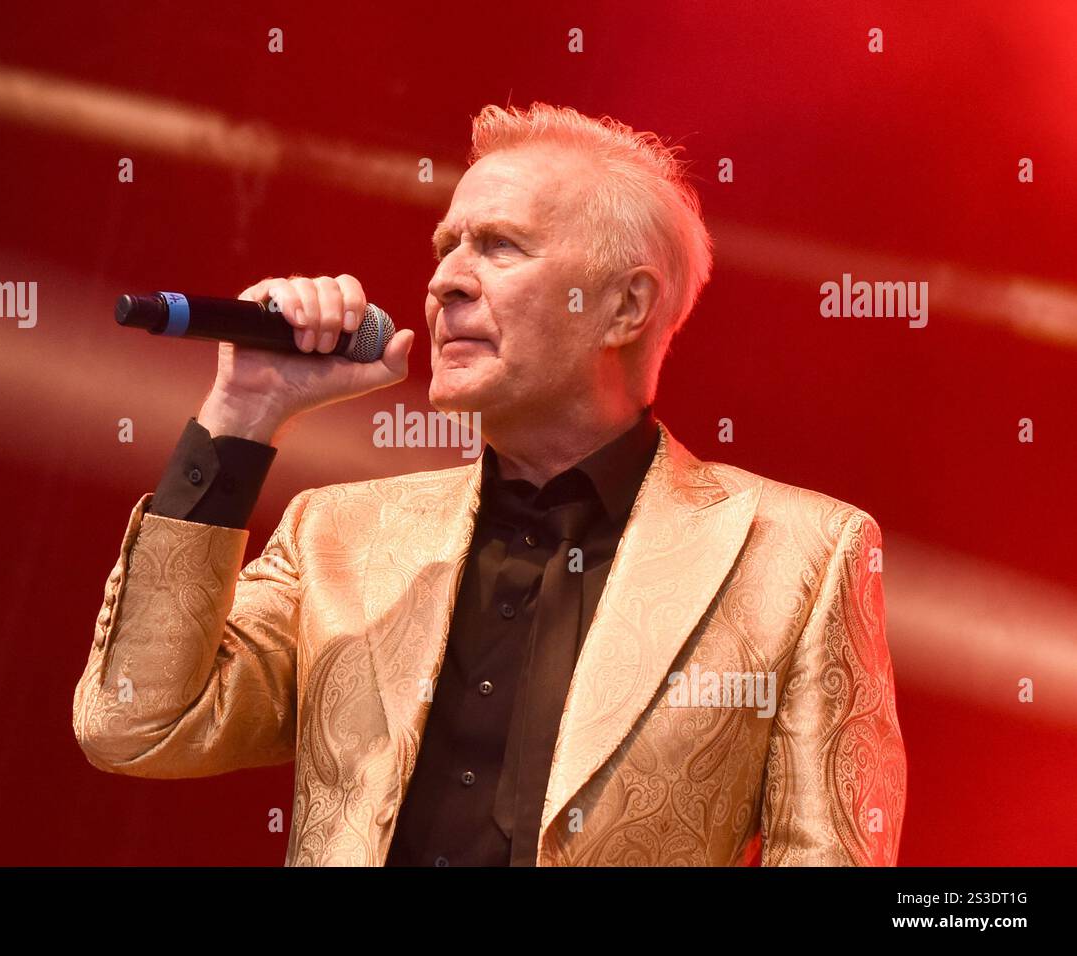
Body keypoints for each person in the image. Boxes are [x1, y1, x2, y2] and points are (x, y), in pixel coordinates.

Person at [72, 101, 907, 866]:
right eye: (445, 247)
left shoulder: (799, 555)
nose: (445, 281)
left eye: (498, 245)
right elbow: (138, 726)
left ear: (626, 307)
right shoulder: (338, 535)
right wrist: (242, 413)